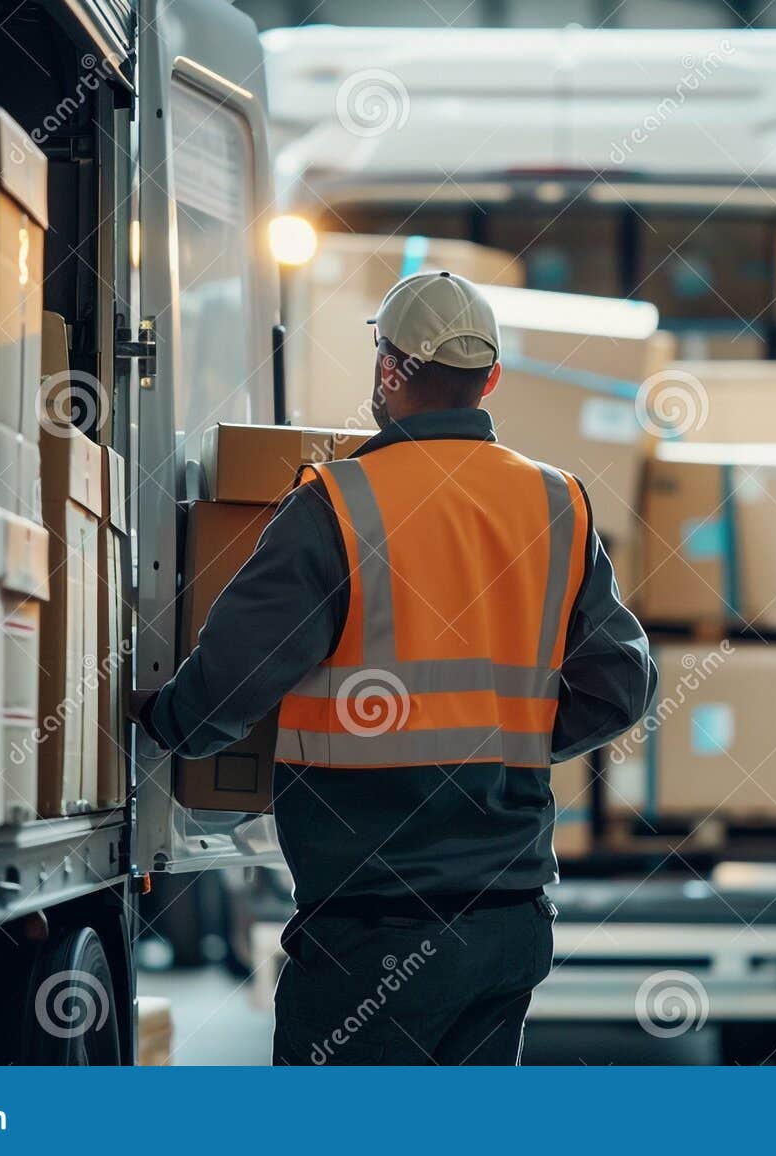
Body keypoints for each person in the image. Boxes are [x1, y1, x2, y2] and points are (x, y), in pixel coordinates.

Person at [132, 269, 657, 1065]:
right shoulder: (560, 503)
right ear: (492, 378)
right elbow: (623, 685)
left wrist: (159, 721)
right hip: (508, 919)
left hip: (376, 926)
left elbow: (231, 686)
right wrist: (507, 741)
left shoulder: (335, 505)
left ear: (389, 371)